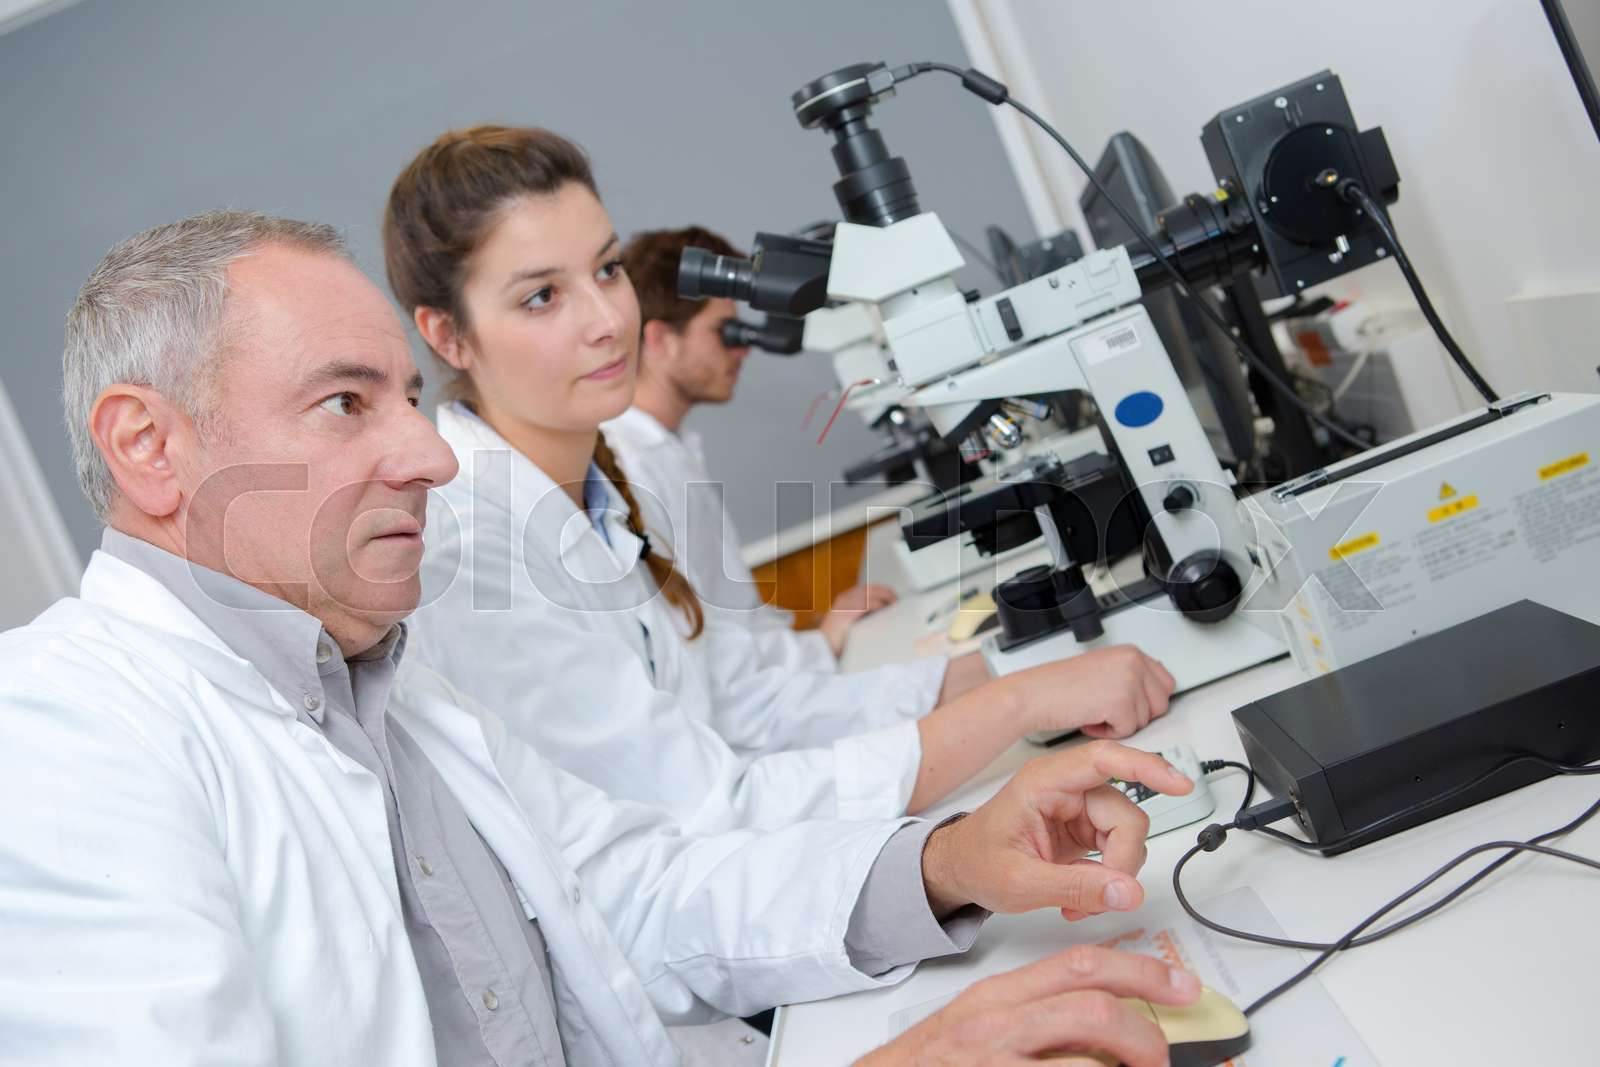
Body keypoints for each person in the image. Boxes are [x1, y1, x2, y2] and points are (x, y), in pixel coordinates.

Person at [0, 208, 1202, 1066]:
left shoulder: (385, 687)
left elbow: (633, 884)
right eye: (343, 403)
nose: (424, 454)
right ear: (148, 446)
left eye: (407, 401)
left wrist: (941, 863)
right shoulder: (59, 737)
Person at [391, 126, 1177, 835]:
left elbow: (747, 707)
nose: (607, 319)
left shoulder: (602, 482)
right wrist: (1019, 703)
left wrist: (1007, 669)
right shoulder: (466, 550)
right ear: (448, 335)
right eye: (542, 296)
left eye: (608, 269)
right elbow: (705, 808)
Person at [604, 225, 885, 671]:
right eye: (725, 331)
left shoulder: (670, 448)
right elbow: (701, 648)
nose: (743, 350)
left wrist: (816, 636)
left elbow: (734, 619)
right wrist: (821, 643)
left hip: (775, 686)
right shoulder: (633, 471)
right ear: (659, 340)